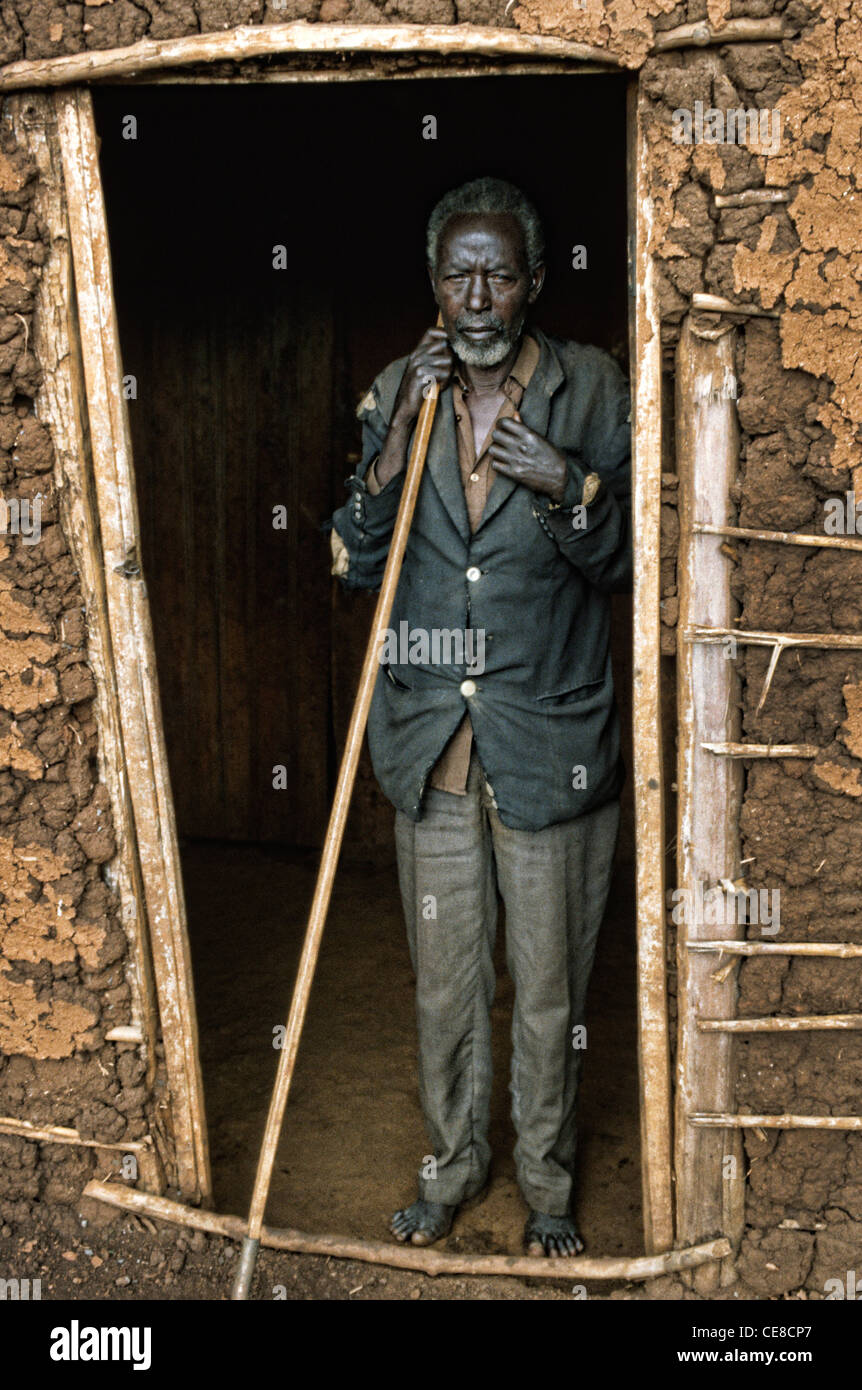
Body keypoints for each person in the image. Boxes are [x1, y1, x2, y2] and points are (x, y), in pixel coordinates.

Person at [328, 177, 631, 1257]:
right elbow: (355, 559)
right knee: (448, 986)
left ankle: (547, 1184)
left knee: (548, 988)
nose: (477, 294)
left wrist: (562, 483)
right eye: (458, 272)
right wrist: (399, 447)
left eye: (500, 272)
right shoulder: (397, 393)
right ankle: (451, 1167)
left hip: (551, 743)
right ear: (433, 282)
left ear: (534, 283)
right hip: (434, 748)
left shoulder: (590, 392)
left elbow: (630, 561)